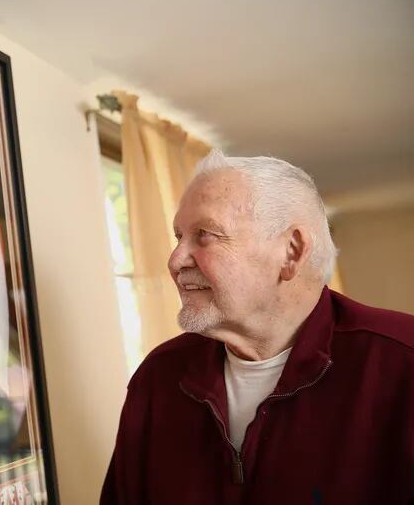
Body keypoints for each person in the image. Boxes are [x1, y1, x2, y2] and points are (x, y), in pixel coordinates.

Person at [100, 149, 414, 504]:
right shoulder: (158, 377)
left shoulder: (402, 362)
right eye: (179, 237)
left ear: (291, 251)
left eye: (205, 234)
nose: (175, 261)